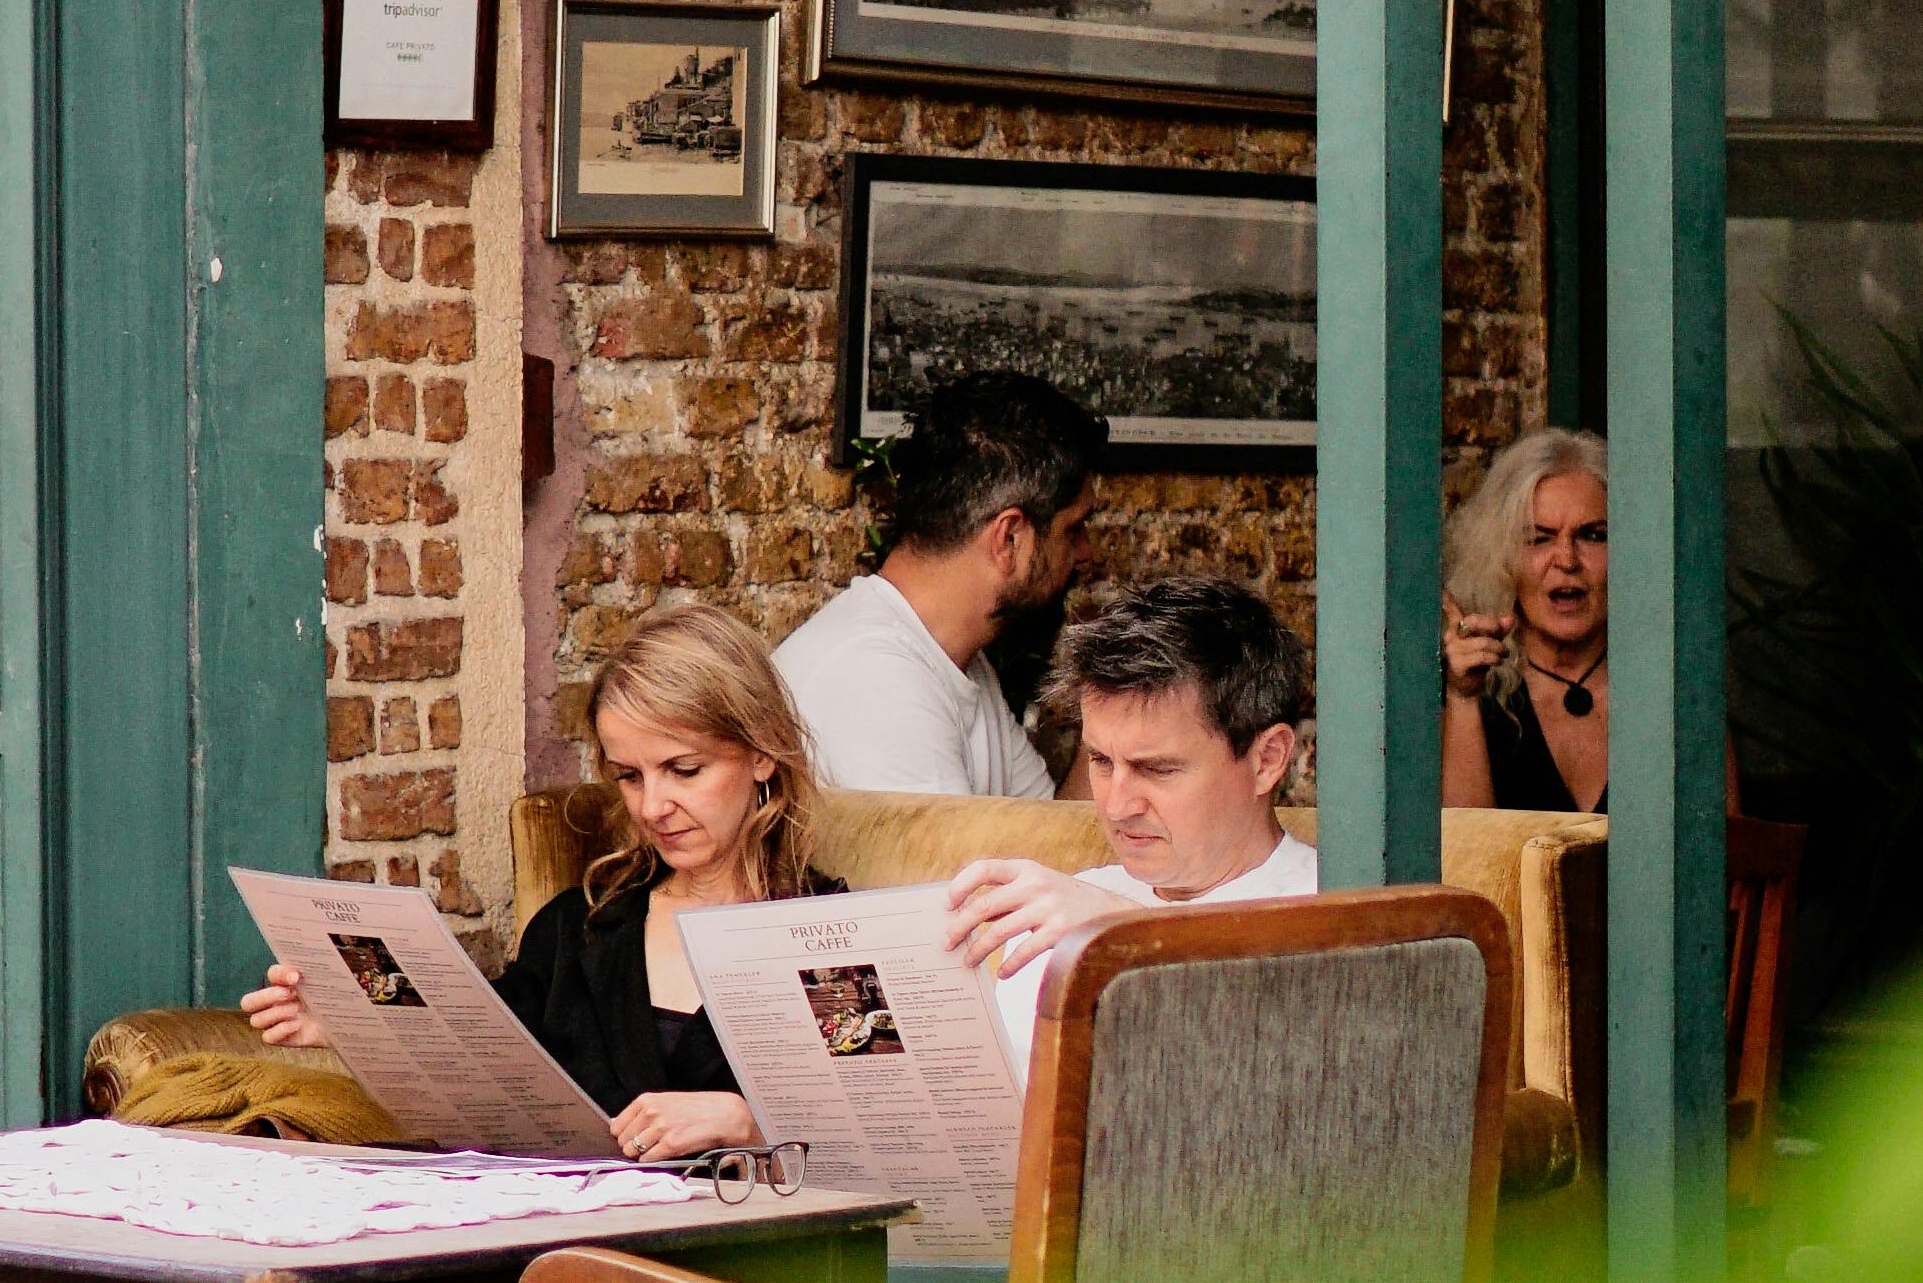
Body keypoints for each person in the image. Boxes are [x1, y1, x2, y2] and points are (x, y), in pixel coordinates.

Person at [248, 587, 805, 1161]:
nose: (653, 806)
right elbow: (483, 1066)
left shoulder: (831, 943)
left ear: (761, 753)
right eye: (630, 777)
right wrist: (349, 1023)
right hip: (551, 1236)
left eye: (684, 770)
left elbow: (895, 1144)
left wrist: (749, 1124)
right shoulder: (577, 926)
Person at [941, 573, 1318, 1077]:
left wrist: (1131, 938)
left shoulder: (1339, 911)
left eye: (1156, 769)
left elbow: (1297, 1091)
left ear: (1267, 759)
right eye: (1099, 761)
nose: (1117, 806)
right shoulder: (1060, 910)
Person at [778, 373, 1108, 805]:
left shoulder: (955, 660)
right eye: (1074, 528)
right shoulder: (875, 677)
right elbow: (956, 875)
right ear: (1008, 538)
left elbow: (1050, 844)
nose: (1086, 552)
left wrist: (1111, 720)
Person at [1443, 427, 1611, 812]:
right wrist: (1463, 698)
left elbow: (1732, 862)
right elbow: (1464, 858)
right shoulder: (1461, 691)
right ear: (1501, 559)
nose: (1567, 560)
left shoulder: (1673, 697)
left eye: (1593, 536)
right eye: (1540, 538)